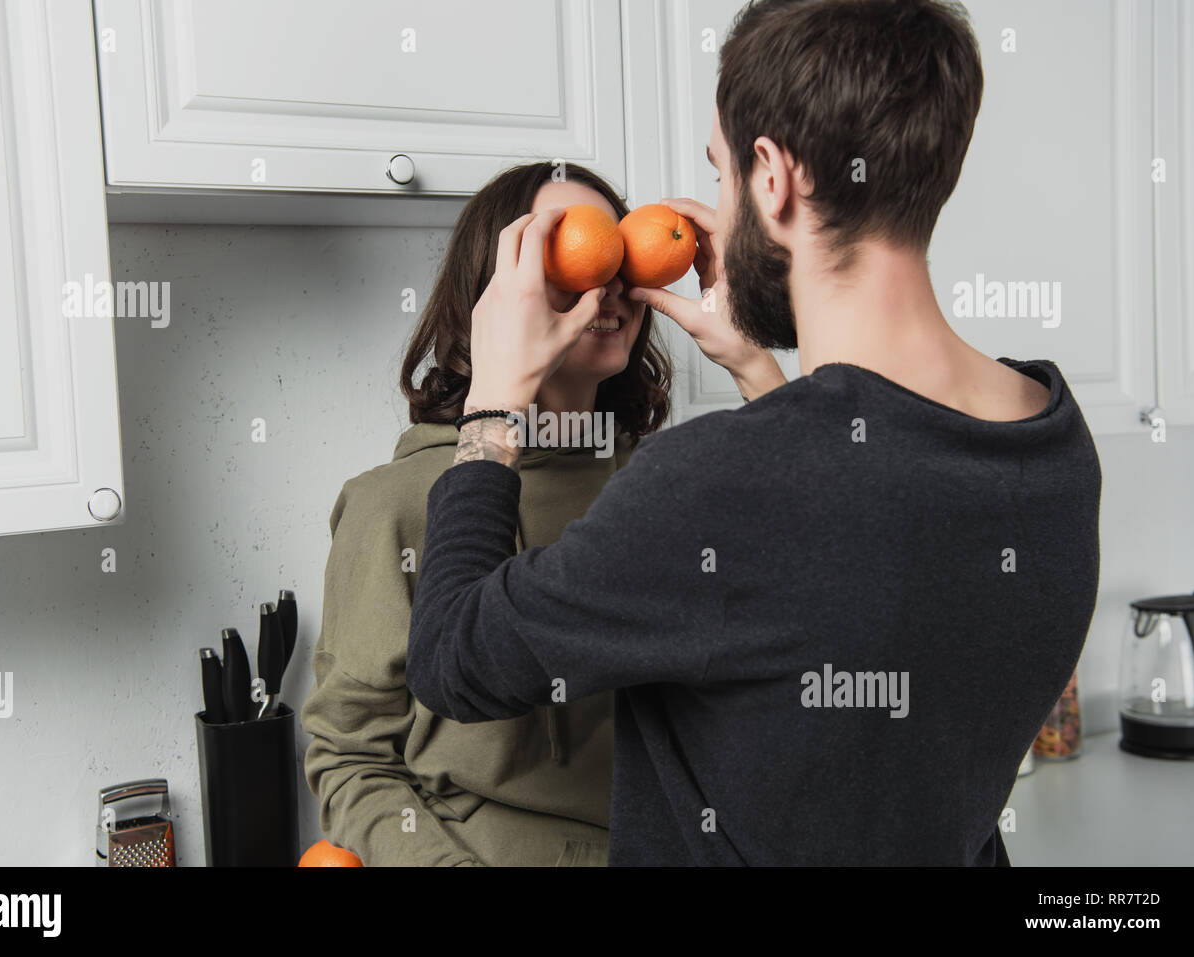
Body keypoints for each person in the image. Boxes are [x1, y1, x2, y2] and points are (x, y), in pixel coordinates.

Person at [406, 0, 1102, 865]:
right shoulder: (1054, 439)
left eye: (724, 174)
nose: (717, 209)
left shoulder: (712, 485)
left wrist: (494, 397)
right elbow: (854, 530)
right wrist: (762, 375)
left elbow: (452, 655)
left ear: (772, 177)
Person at [301, 162, 671, 866]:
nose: (609, 284)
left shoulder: (663, 486)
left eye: (620, 250)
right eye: (570, 249)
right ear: (493, 294)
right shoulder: (395, 503)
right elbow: (352, 758)